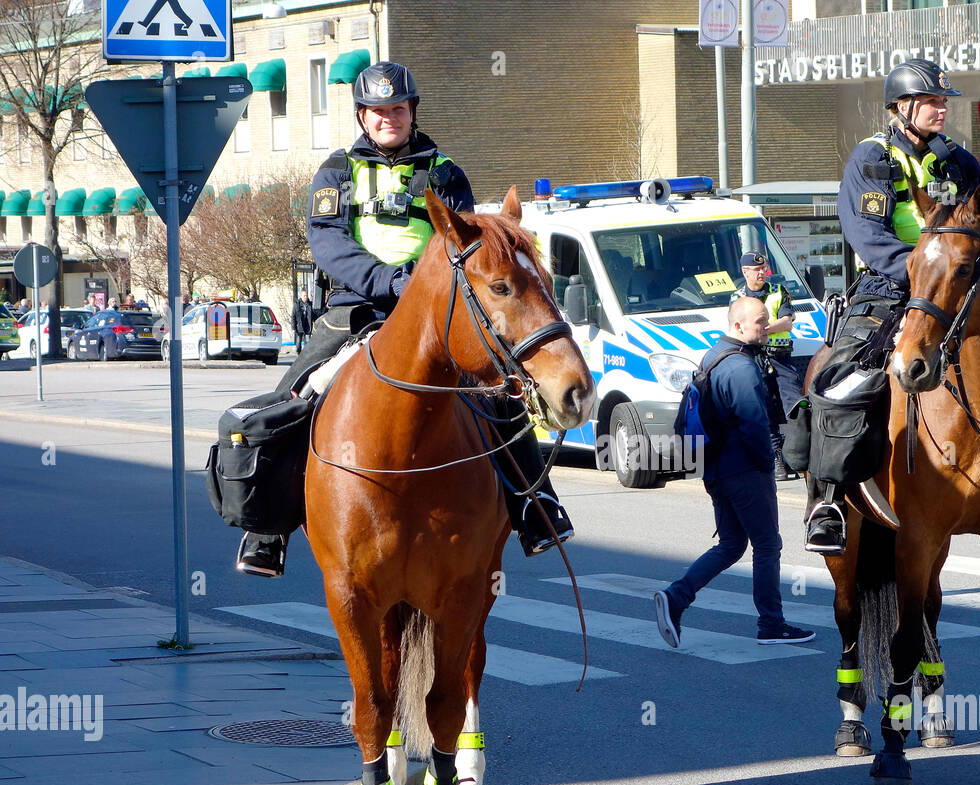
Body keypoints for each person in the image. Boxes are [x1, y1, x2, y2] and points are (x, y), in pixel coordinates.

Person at [235, 61, 573, 577]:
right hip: (356, 307)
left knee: (497, 395)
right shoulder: (336, 170)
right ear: (362, 116)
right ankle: (267, 530)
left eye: (398, 108)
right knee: (296, 391)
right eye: (378, 111)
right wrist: (388, 282)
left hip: (436, 309)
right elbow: (328, 243)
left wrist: (420, 287)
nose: (388, 118)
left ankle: (535, 506)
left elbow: (465, 242)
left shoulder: (444, 171)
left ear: (411, 111)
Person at [805, 57, 980, 554]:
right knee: (838, 376)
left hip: (957, 287)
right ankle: (828, 501)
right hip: (890, 288)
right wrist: (921, 272)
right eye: (930, 101)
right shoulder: (872, 157)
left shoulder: (958, 161)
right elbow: (867, 235)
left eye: (943, 101)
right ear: (901, 107)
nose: (940, 110)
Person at [654, 296, 816, 648]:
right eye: (759, 321)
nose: (766, 326)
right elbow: (754, 425)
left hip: (716, 470)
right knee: (767, 544)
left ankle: (676, 596)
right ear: (739, 325)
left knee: (731, 544)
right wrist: (768, 466)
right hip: (744, 471)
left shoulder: (713, 356)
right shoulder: (741, 368)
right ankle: (771, 624)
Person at [730, 250, 799, 479]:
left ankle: (795, 452)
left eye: (764, 269)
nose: (762, 273)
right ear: (745, 272)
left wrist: (762, 327)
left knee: (794, 403)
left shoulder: (779, 290)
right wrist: (767, 326)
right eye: (757, 270)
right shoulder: (737, 297)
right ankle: (776, 456)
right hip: (754, 356)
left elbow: (787, 323)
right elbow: (737, 327)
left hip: (780, 356)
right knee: (764, 406)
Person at [292, 288, 313, 353]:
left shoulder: (310, 304)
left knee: (308, 344)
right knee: (298, 345)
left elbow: (314, 315)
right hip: (299, 326)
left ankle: (305, 356)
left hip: (307, 326)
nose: (306, 297)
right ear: (301, 296)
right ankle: (299, 354)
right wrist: (293, 328)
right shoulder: (296, 305)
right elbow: (293, 316)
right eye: (304, 295)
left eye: (306, 295)